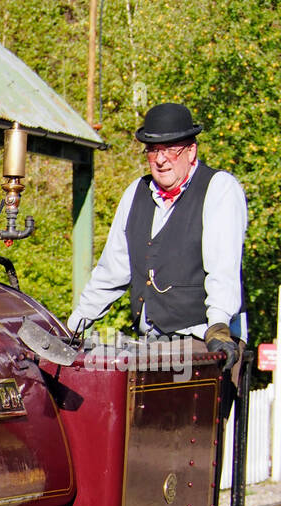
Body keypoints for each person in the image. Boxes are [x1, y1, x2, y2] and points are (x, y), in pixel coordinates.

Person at [66, 102, 247, 370]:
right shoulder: (135, 193)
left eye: (170, 150)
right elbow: (111, 272)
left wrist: (218, 328)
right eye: (153, 150)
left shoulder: (219, 189)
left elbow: (223, 270)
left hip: (203, 340)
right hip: (152, 345)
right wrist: (72, 327)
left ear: (191, 150)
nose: (160, 160)